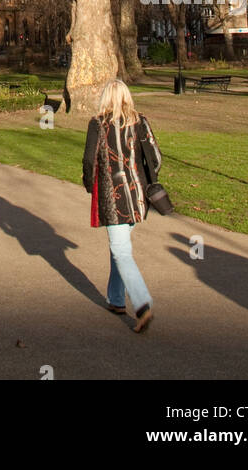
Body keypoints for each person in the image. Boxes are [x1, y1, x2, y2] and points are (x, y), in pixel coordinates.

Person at [82, 79, 160, 335]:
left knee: (121, 251)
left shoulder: (98, 124)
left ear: (105, 98)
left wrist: (90, 185)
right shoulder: (141, 122)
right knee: (120, 246)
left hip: (112, 196)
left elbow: (89, 160)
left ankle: (142, 303)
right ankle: (116, 299)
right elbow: (156, 158)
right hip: (137, 196)